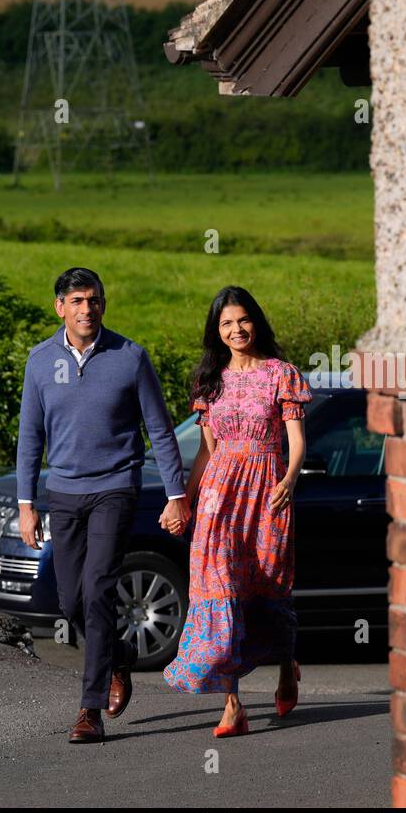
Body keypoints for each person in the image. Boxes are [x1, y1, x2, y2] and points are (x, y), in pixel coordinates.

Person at [16, 267, 190, 743]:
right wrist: (26, 503)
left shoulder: (130, 357)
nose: (86, 309)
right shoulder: (38, 361)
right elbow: (30, 437)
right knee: (70, 599)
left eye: (93, 300)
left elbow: (159, 428)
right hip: (63, 493)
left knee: (98, 591)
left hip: (116, 487)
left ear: (103, 305)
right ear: (60, 307)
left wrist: (177, 495)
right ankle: (118, 656)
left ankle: (88, 710)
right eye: (77, 301)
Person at [162, 286, 312, 736]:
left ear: (256, 322)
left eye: (242, 320)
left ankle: (287, 664)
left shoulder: (280, 374)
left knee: (267, 581)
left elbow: (296, 440)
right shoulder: (211, 380)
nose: (236, 329)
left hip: (267, 486)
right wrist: (184, 499)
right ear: (217, 331)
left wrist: (289, 478)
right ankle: (233, 705)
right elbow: (207, 452)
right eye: (226, 323)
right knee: (219, 583)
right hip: (218, 492)